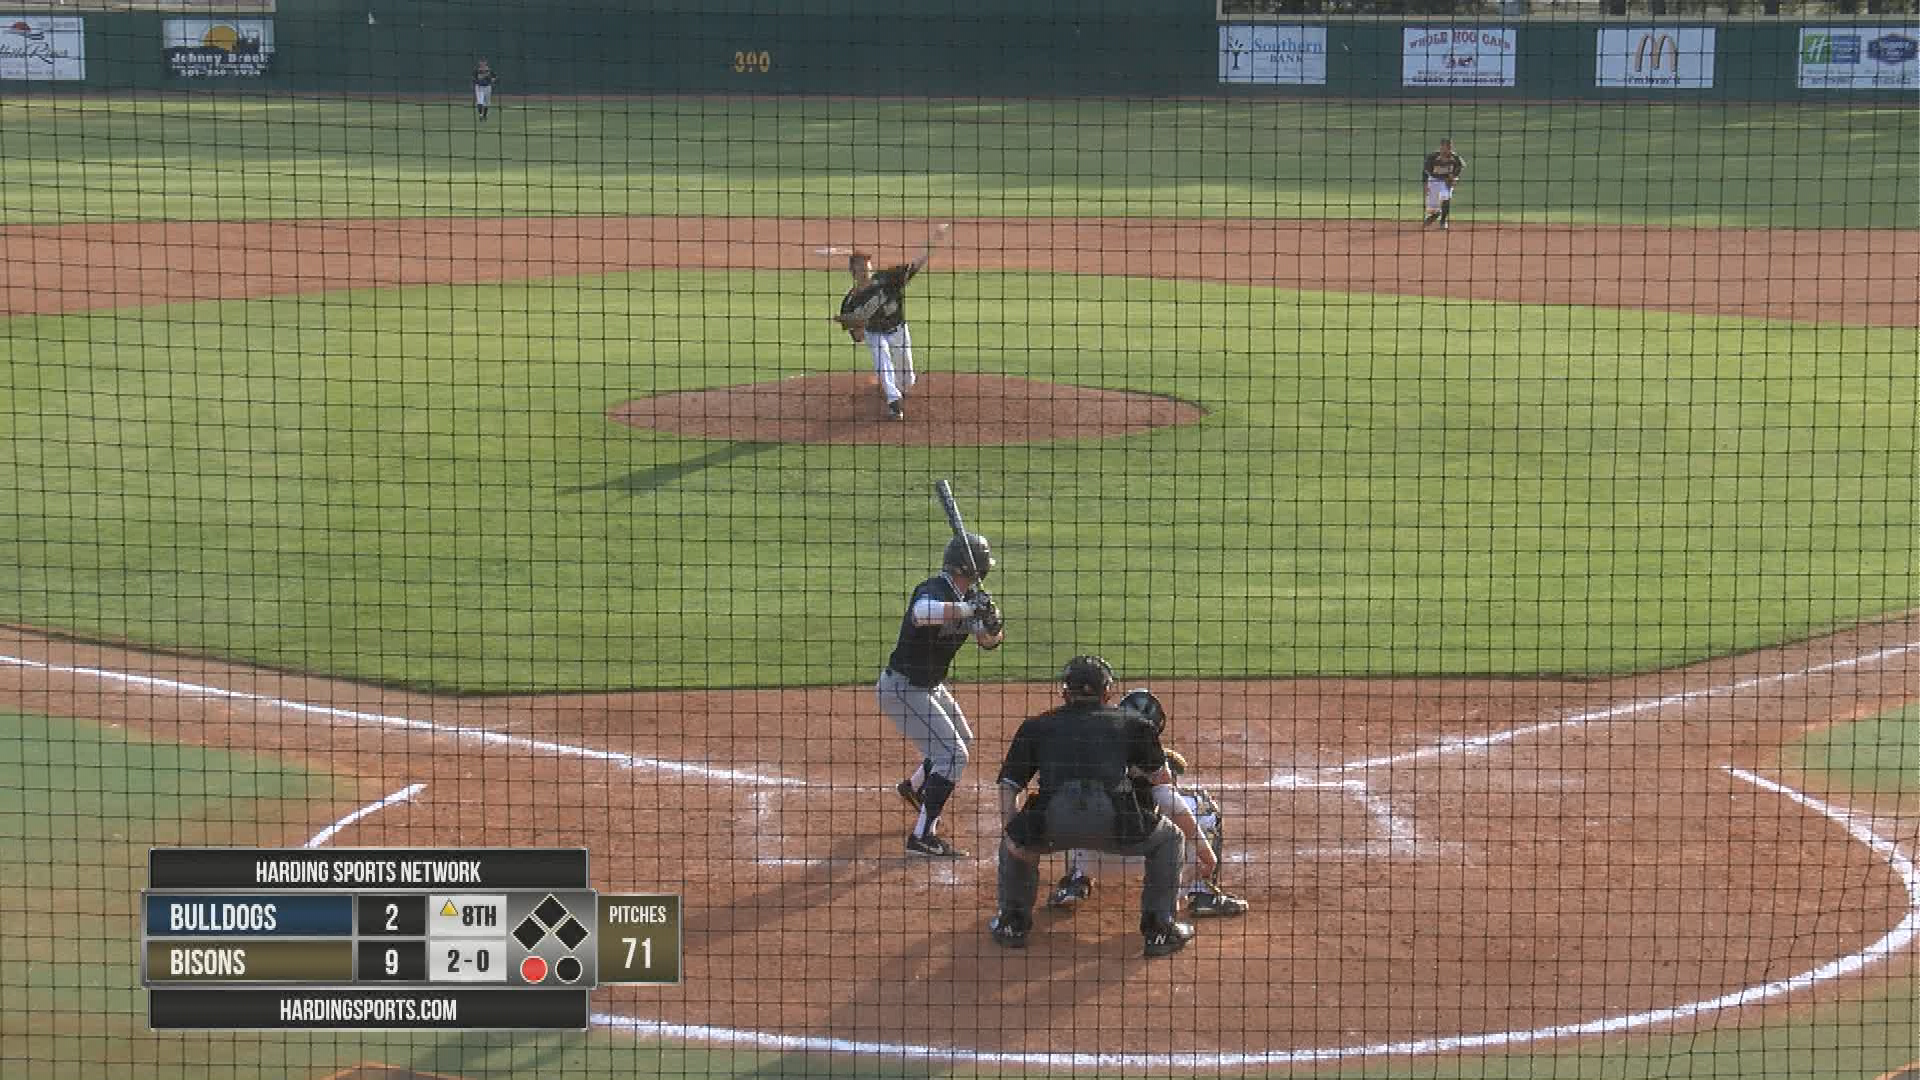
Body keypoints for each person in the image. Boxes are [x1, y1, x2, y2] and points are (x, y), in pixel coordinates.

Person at [989, 656, 1217, 957]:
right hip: (1117, 823)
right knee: (1170, 839)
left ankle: (1012, 924)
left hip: (1053, 823)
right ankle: (1160, 930)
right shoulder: (1134, 725)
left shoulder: (1035, 726)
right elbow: (1164, 792)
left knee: (1016, 837)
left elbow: (1009, 786)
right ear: (1107, 692)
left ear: (1064, 693)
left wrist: (1012, 831)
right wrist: (1203, 850)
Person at [1047, 688, 1250, 919]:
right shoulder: (1153, 759)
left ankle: (1075, 881)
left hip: (1092, 858)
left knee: (1079, 801)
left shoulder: (1084, 752)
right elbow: (1170, 803)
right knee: (1202, 806)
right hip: (1145, 856)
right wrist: (1207, 856)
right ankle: (1202, 893)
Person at [876, 530, 1004, 857]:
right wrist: (967, 610)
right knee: (953, 754)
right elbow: (921, 613)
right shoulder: (933, 590)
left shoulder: (970, 597)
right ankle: (922, 836)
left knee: (962, 738)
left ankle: (915, 787)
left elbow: (988, 642)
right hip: (903, 688)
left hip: (929, 687)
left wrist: (991, 623)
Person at [831, 225, 949, 421]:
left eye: (867, 264)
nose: (865, 268)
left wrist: (934, 240)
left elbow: (916, 265)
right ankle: (894, 403)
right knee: (882, 362)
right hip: (875, 334)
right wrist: (851, 323)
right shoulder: (850, 301)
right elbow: (858, 336)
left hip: (899, 331)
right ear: (853, 271)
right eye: (860, 265)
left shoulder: (888, 279)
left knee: (907, 380)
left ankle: (897, 386)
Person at [1422, 137, 1465, 230]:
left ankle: (1443, 220)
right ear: (1441, 147)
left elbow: (1460, 167)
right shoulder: (1432, 157)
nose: (1447, 150)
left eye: (1449, 147)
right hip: (1434, 181)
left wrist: (1454, 177)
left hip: (1446, 182)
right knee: (1431, 208)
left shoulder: (1455, 158)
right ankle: (1436, 214)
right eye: (1445, 147)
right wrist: (1425, 185)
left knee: (1445, 196)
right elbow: (1425, 172)